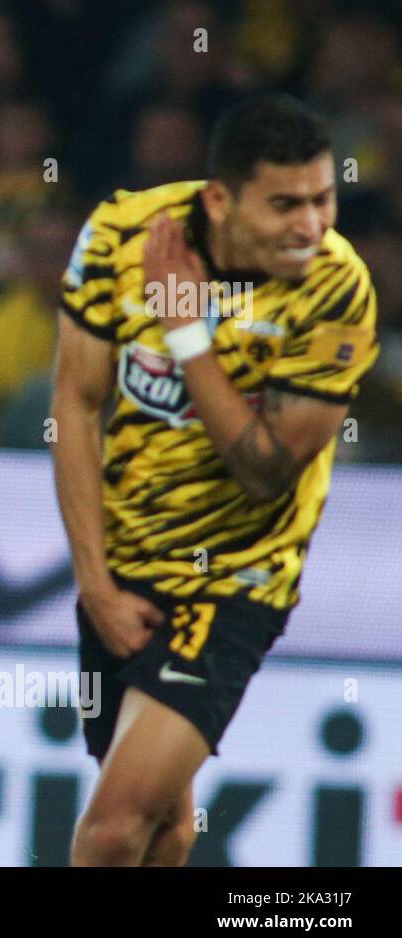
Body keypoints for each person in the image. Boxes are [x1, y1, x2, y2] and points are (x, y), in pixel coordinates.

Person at [51, 94, 378, 866]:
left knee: (108, 835)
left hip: (236, 582)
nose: (312, 224)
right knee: (162, 829)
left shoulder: (338, 290)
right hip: (125, 574)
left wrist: (187, 330)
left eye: (323, 198)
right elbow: (75, 403)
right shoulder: (121, 234)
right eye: (286, 203)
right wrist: (95, 582)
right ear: (222, 198)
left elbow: (266, 470)